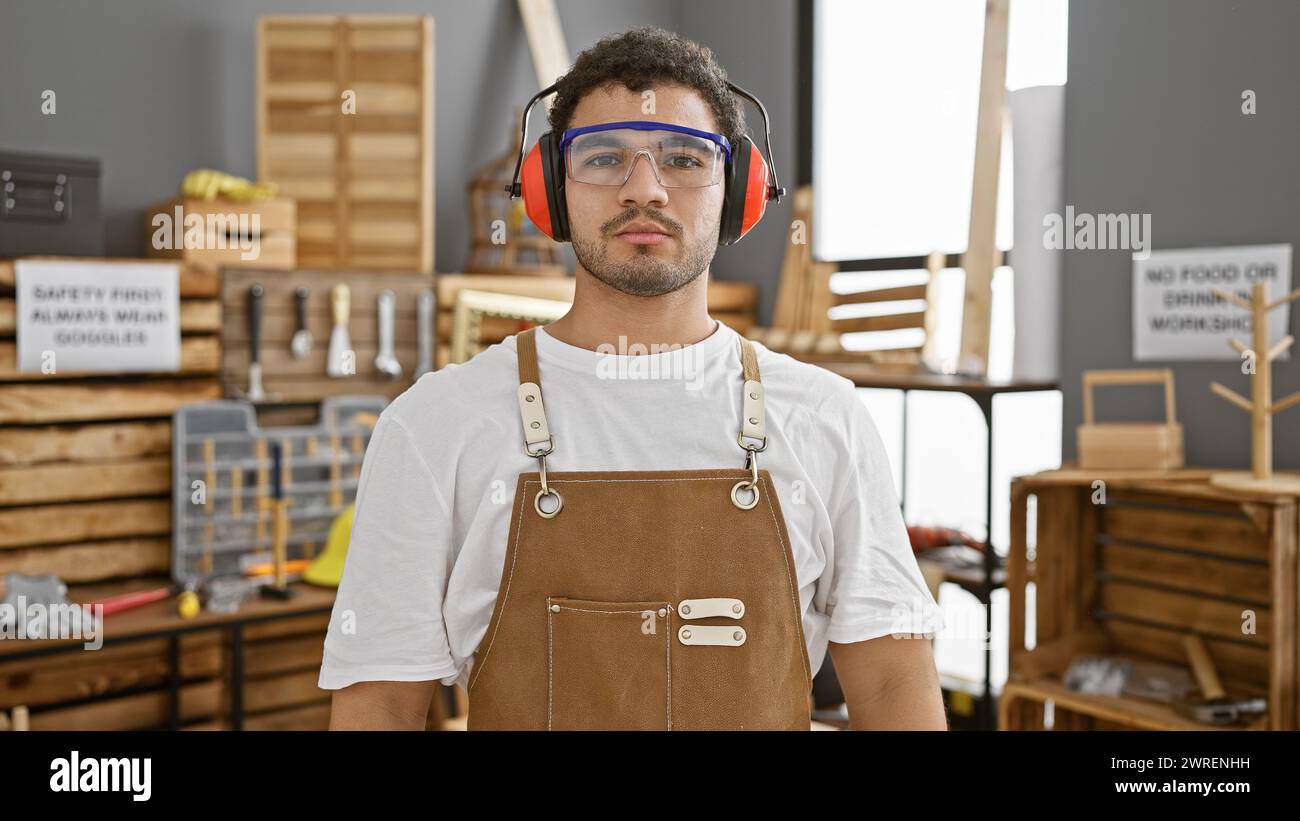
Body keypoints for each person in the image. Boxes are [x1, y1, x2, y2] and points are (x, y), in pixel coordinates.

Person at [320, 26, 946, 730]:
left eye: (683, 158)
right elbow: (378, 708)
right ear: (549, 189)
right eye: (603, 157)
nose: (644, 189)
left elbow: (896, 687)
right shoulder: (435, 424)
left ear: (738, 188)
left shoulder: (824, 417)